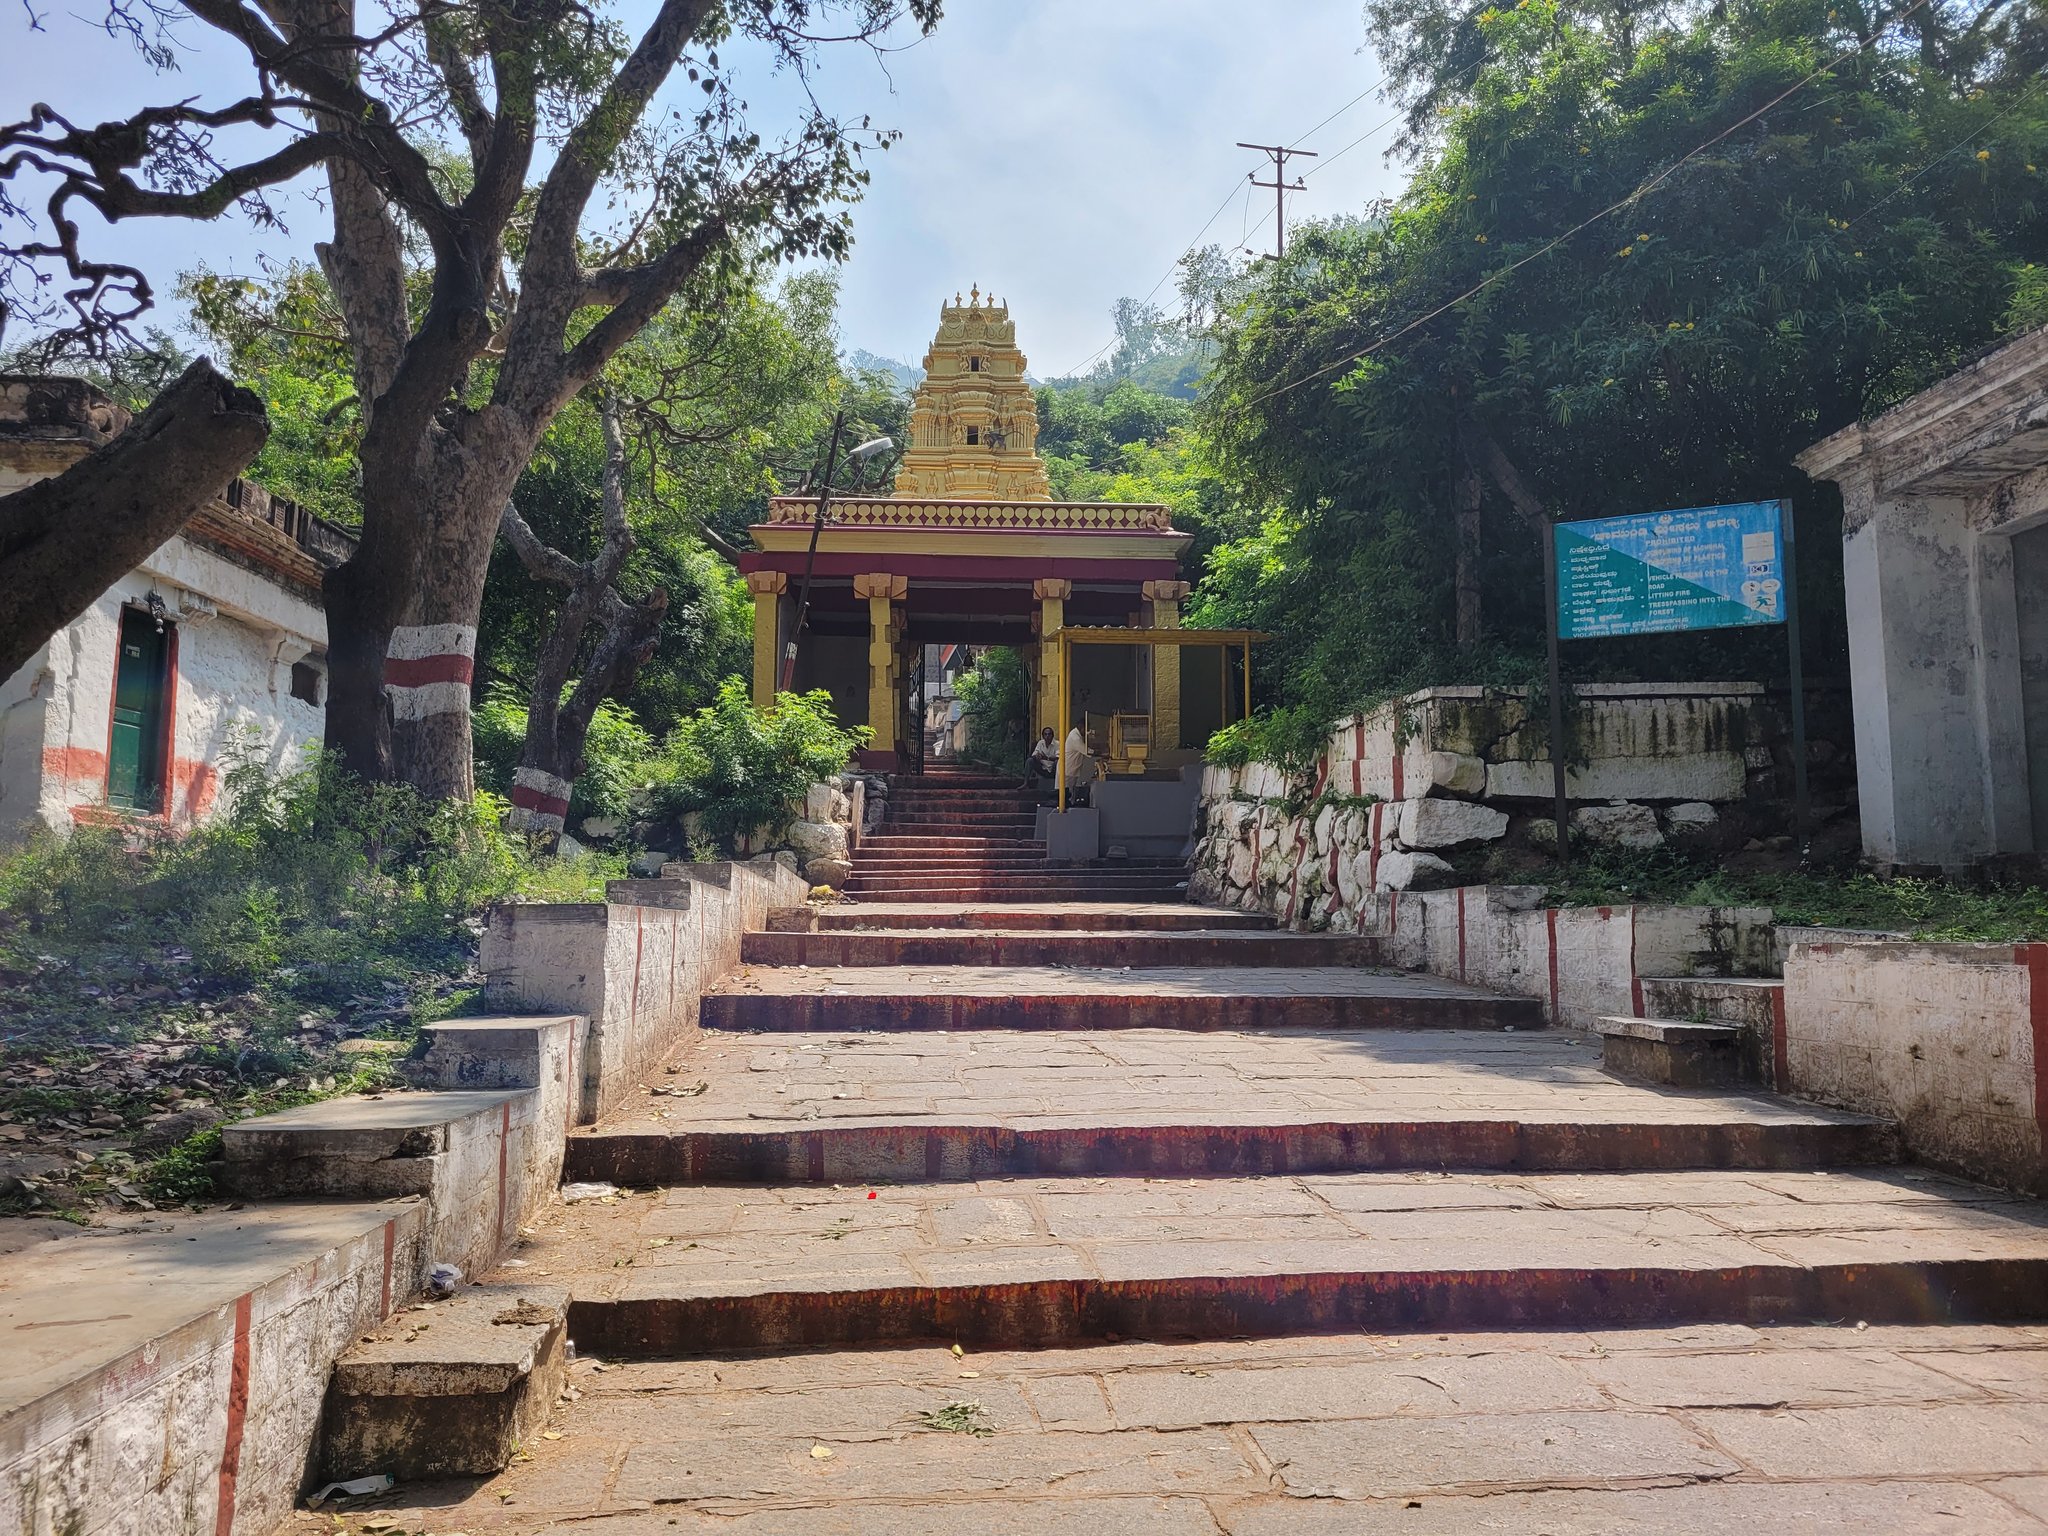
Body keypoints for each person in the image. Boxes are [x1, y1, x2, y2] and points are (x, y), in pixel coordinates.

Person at [1061, 723, 1100, 806]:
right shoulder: (1075, 738)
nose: (1087, 732)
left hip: (1073, 769)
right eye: (1086, 729)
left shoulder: (1077, 735)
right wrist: (1100, 752)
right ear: (1082, 727)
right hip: (1068, 770)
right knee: (1067, 794)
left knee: (1072, 792)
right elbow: (1086, 751)